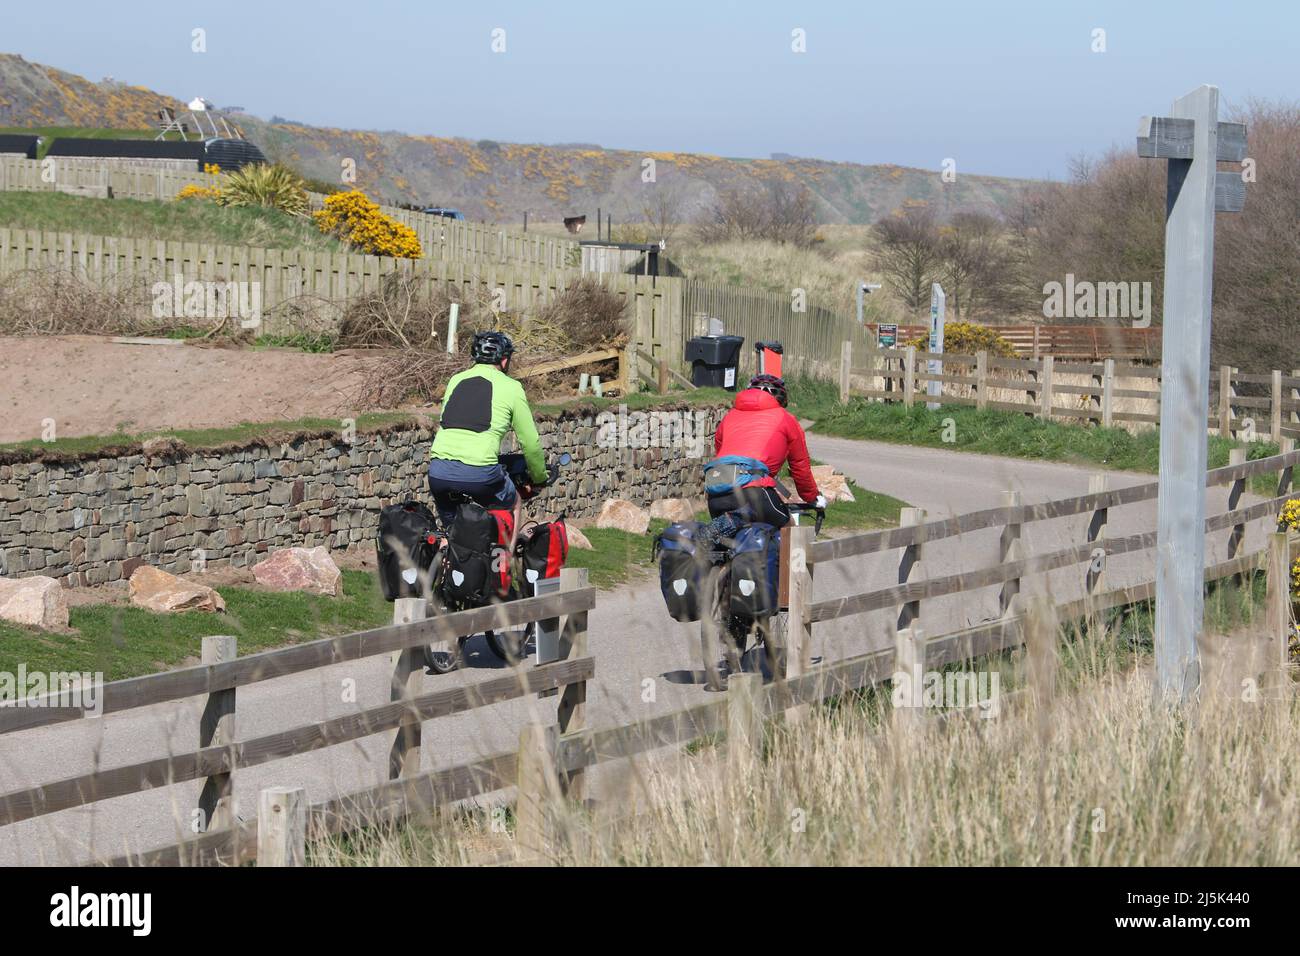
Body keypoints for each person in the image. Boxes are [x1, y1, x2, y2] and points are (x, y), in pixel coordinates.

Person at [427, 331, 547, 549]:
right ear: (504, 360)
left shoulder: (456, 380)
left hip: (438, 472)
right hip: (480, 473)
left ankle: (447, 566)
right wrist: (539, 477)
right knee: (514, 503)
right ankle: (504, 565)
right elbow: (530, 442)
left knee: (454, 535)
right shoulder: (511, 387)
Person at [707, 373, 826, 526]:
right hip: (754, 492)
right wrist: (813, 497)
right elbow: (800, 465)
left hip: (717, 493)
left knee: (725, 540)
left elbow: (722, 452)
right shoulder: (786, 418)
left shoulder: (729, 416)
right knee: (788, 531)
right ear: (781, 400)